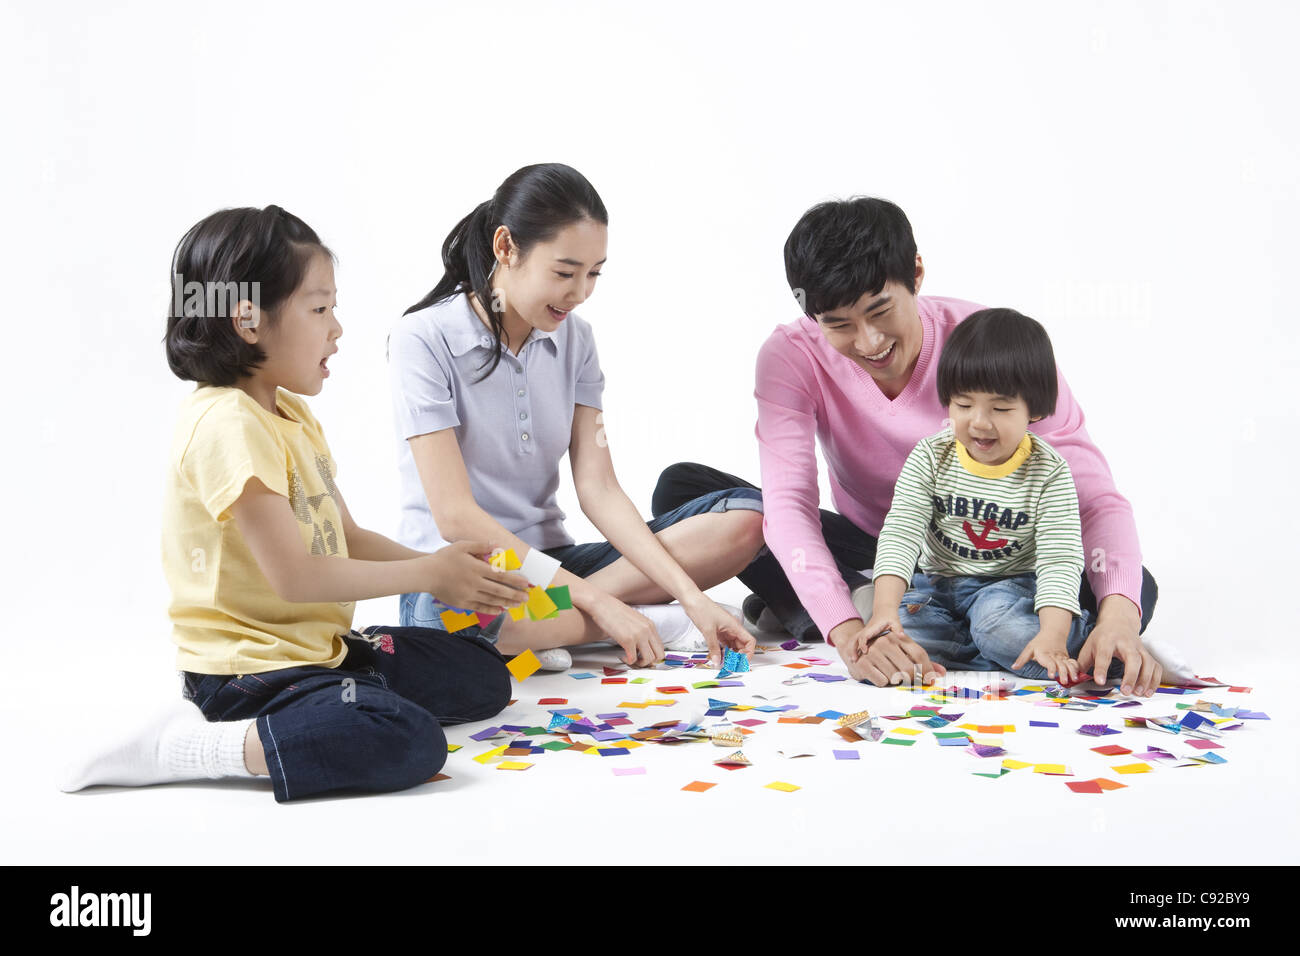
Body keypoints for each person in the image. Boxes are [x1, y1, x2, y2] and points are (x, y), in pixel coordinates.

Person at [62, 206, 531, 803]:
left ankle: (339, 700)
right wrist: (427, 572)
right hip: (247, 675)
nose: (337, 328)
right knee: (410, 741)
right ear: (249, 320)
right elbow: (295, 576)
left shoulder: (290, 413)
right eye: (319, 309)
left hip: (319, 654)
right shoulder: (225, 423)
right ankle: (189, 745)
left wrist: (443, 571)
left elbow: (347, 538)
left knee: (482, 676)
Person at [652, 197, 1162, 695]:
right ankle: (859, 604)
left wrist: (1119, 614)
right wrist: (850, 636)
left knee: (1131, 585)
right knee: (686, 491)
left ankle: (819, 604)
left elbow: (1090, 497)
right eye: (839, 325)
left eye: (880, 310)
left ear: (915, 274)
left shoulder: (992, 346)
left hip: (1000, 559)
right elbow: (789, 506)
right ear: (813, 316)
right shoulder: (790, 356)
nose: (870, 342)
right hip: (880, 547)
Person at [388, 163, 759, 670]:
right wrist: (601, 601)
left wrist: (691, 597)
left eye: (594, 273)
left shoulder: (576, 339)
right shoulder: (423, 339)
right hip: (462, 577)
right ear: (506, 248)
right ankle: (631, 618)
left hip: (556, 566)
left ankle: (558, 629)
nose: (580, 292)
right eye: (564, 272)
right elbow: (455, 517)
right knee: (454, 617)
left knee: (745, 519)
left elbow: (599, 489)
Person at [851, 307, 1091, 685]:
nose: (979, 422)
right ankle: (989, 651)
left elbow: (1059, 559)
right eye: (963, 405)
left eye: (1000, 407)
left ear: (1034, 409)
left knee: (999, 626)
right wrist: (885, 612)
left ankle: (1074, 642)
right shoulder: (931, 456)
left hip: (1009, 588)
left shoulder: (1049, 472)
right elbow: (901, 533)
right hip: (937, 589)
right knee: (897, 638)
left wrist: (1053, 634)